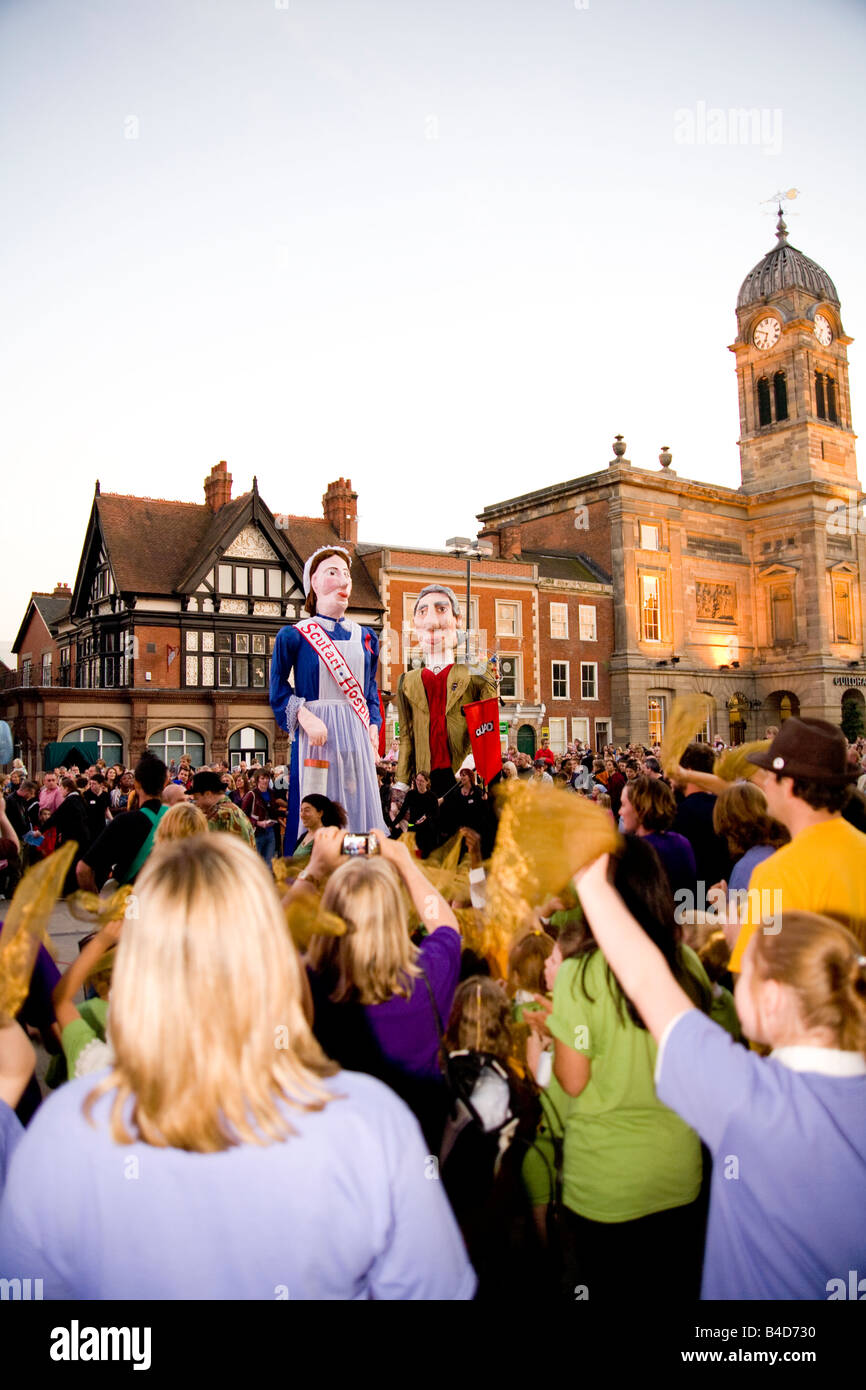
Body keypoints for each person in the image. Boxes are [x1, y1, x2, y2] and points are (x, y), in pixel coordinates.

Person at [0, 834, 475, 1298]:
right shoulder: (372, 1126)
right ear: (270, 955)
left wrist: (309, 876)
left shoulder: (64, 1131)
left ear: (139, 960)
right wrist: (391, 862)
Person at [573, 854, 866, 1300]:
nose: (732, 977)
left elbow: (646, 979)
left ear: (770, 998)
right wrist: (732, 916)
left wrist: (591, 884)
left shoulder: (748, 1099)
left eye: (741, 970)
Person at [542, 837, 711, 1301]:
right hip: (680, 1176)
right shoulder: (687, 965)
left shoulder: (580, 973)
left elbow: (572, 1078)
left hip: (605, 1186)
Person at [305, 829, 462, 1141]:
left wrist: (314, 870)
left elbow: (264, 951)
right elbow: (445, 925)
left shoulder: (308, 986)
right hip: (414, 1144)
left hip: (332, 1150)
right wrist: (404, 863)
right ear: (395, 915)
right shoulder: (430, 974)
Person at [270, 546, 385, 851]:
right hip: (316, 737)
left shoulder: (367, 637)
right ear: (314, 583)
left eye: (346, 574)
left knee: (358, 804)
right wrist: (303, 716)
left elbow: (370, 692)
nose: (343, 581)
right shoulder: (294, 635)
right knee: (317, 803)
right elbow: (277, 689)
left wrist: (374, 725)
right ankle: (317, 865)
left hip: (355, 734)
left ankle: (358, 869)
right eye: (332, 573)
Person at [729, 718, 866, 971]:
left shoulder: (778, 873)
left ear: (789, 784)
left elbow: (757, 991)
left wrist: (737, 936)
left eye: (769, 777)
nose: (764, 785)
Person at [394, 585, 497, 799]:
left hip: (461, 775)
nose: (432, 622)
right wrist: (401, 784)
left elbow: (488, 727)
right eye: (422, 612)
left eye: (441, 609)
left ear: (457, 619)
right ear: (416, 625)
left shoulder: (475, 673)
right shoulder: (407, 681)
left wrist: (475, 762)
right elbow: (406, 736)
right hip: (425, 778)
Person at [76, 755, 169, 891]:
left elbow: (82, 870)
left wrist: (95, 904)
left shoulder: (124, 821)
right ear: (165, 782)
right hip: (168, 905)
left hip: (130, 904)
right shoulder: (179, 819)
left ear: (136, 784)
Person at [619, 776, 697, 901]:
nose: (620, 812)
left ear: (640, 808)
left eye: (623, 805)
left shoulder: (634, 850)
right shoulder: (682, 842)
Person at [671, 742, 732, 892]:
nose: (670, 778)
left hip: (691, 900)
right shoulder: (728, 809)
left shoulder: (678, 815)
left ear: (689, 772)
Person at [189, 771, 255, 848]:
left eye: (197, 798)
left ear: (207, 794)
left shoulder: (219, 816)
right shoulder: (234, 809)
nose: (196, 803)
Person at [291, 794, 347, 859]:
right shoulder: (303, 836)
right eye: (301, 810)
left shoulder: (327, 837)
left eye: (307, 810)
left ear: (320, 813)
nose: (302, 815)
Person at [243, 772, 280, 867]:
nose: (265, 781)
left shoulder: (272, 793)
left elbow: (274, 811)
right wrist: (257, 823)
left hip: (270, 831)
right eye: (263, 778)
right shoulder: (251, 794)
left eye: (267, 778)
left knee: (269, 863)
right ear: (257, 780)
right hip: (257, 832)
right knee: (255, 862)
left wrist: (286, 813)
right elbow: (243, 814)